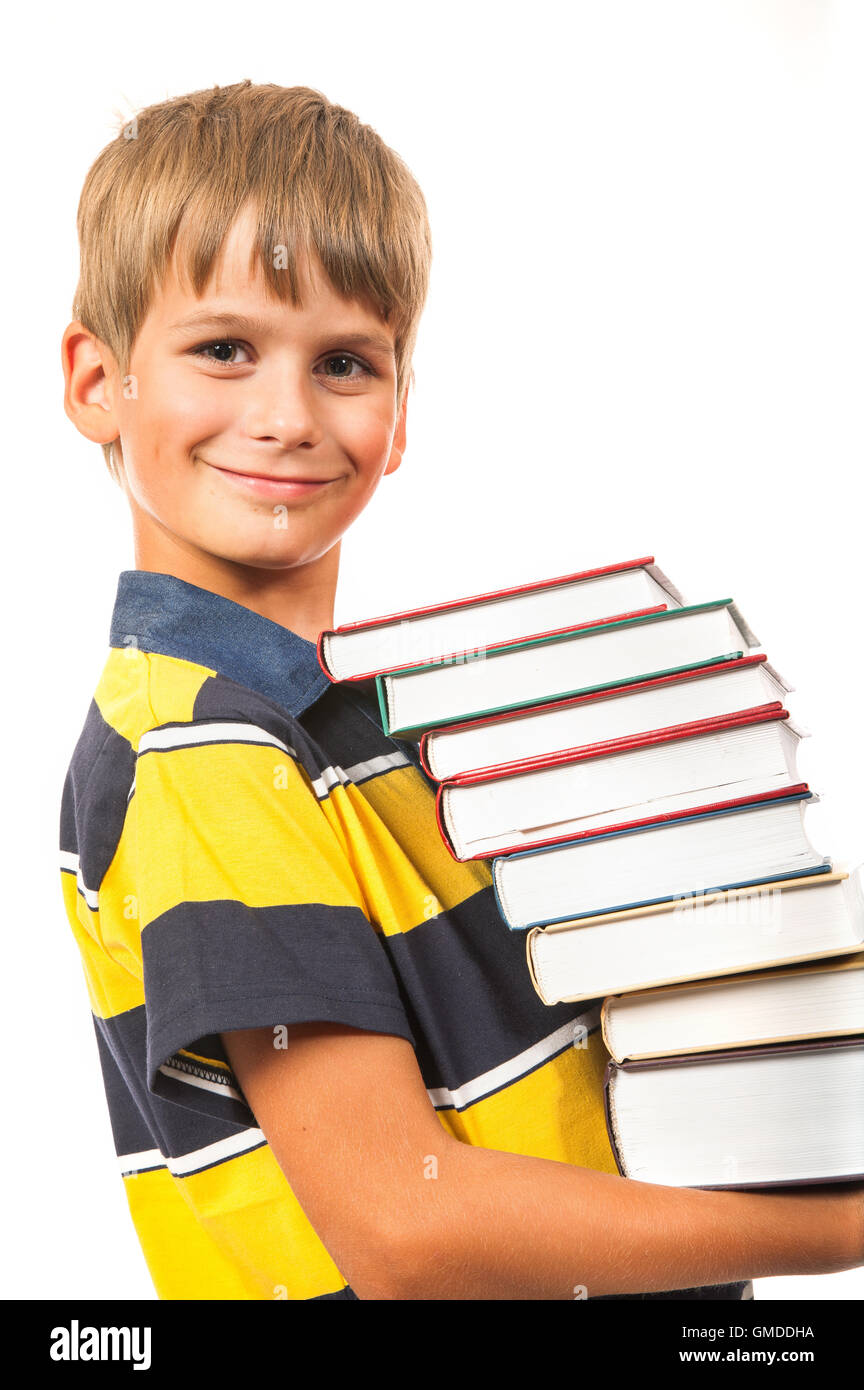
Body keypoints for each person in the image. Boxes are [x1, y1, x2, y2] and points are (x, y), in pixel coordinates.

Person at [58, 79, 862, 1301]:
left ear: (399, 409)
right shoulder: (201, 745)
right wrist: (834, 1225)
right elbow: (404, 1227)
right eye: (223, 349)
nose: (284, 415)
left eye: (343, 361)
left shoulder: (341, 724)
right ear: (95, 380)